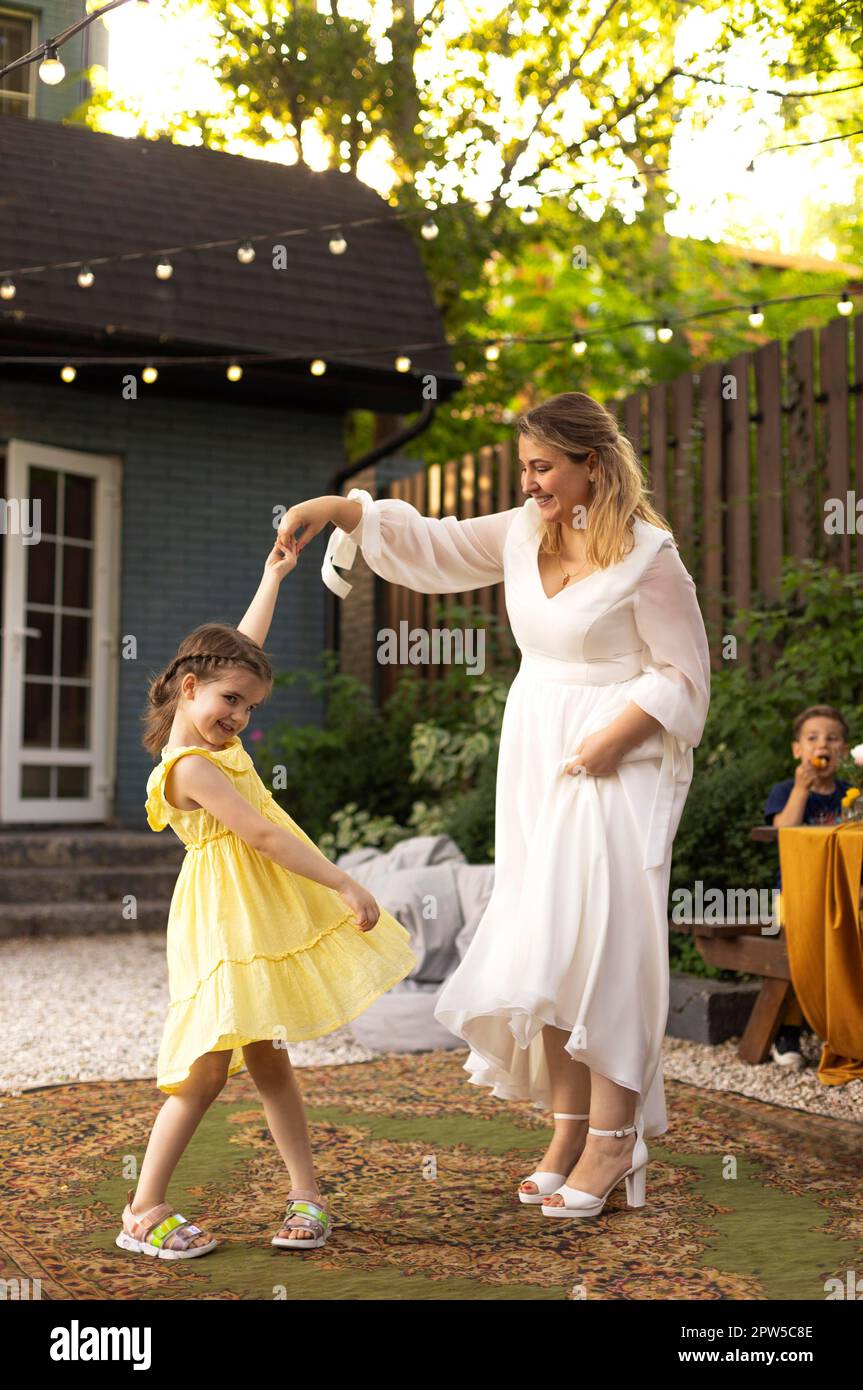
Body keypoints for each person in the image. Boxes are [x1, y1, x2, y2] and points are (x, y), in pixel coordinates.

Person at [278, 391, 711, 1221]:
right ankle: (568, 1130)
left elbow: (686, 675)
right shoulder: (520, 531)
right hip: (536, 750)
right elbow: (433, 544)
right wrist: (335, 509)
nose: (530, 482)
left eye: (543, 467)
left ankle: (615, 1139)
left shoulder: (650, 558)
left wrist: (612, 740)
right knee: (545, 936)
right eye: (524, 468)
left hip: (618, 759)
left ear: (591, 464)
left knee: (605, 941)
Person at [117, 539, 417, 1259]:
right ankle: (143, 1208)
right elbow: (261, 834)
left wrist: (272, 576)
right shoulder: (190, 767)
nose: (241, 717)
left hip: (255, 913)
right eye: (232, 702)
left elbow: (240, 650)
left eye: (250, 707)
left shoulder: (214, 725)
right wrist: (342, 880)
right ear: (189, 687)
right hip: (226, 921)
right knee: (205, 1070)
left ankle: (307, 1194)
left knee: (270, 1059)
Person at [763, 705, 851, 1069]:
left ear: (843, 750)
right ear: (797, 749)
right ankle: (788, 1028)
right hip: (795, 894)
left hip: (842, 894)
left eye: (832, 738)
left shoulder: (852, 794)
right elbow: (782, 829)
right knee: (802, 945)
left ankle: (847, 1028)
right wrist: (802, 789)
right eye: (812, 738)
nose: (822, 745)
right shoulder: (786, 790)